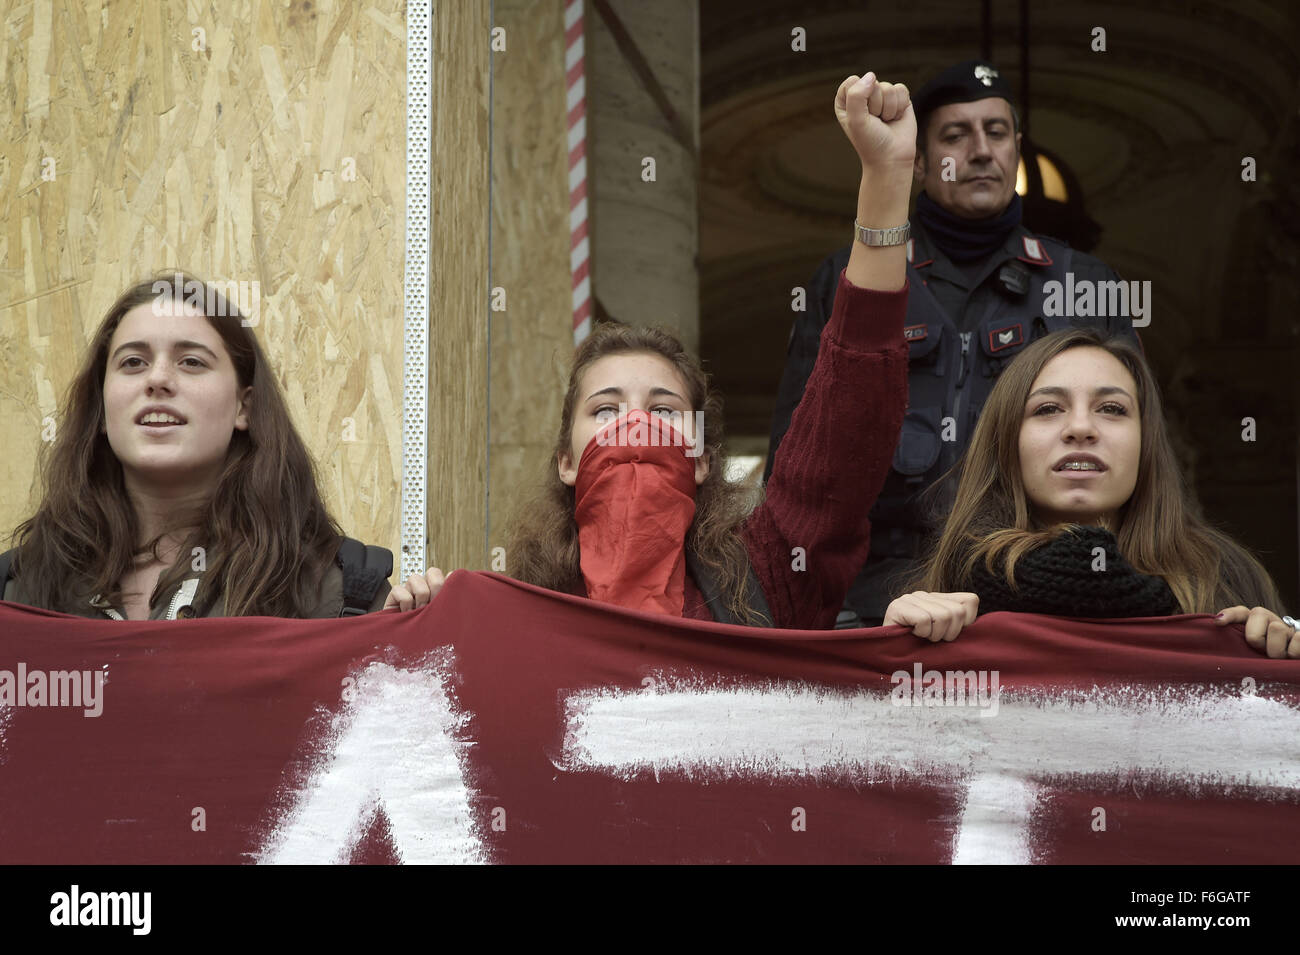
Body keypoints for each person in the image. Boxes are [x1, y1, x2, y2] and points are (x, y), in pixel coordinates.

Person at [505, 71, 913, 629]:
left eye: (665, 410)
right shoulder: (515, 610)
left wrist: (886, 178)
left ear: (700, 457)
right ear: (567, 462)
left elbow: (845, 425)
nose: (636, 426)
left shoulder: (766, 578)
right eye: (605, 409)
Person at [767, 59, 1137, 628]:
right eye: (956, 135)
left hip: (1037, 579)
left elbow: (1141, 448)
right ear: (918, 160)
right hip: (877, 593)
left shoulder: (1085, 284)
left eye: (997, 132)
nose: (981, 151)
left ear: (1017, 146)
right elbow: (797, 455)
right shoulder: (856, 277)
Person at [1, 273, 442, 620]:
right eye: (133, 362)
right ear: (101, 407)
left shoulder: (343, 595)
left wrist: (397, 664)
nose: (156, 379)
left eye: (191, 361)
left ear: (244, 408)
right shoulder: (14, 590)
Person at [882, 327, 1300, 659]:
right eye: (1048, 409)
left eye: (1112, 409)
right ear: (1006, 443)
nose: (1080, 428)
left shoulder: (1227, 581)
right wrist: (890, 652)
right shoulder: (947, 591)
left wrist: (1287, 650)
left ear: (1146, 444)